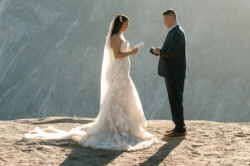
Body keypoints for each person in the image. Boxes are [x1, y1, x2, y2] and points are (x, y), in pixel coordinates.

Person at [25, 14, 159, 151]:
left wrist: (130, 52)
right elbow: (117, 55)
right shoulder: (115, 38)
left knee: (124, 93)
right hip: (119, 71)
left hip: (123, 71)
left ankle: (125, 124)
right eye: (126, 24)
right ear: (120, 24)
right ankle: (119, 125)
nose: (128, 26)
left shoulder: (120, 36)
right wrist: (131, 52)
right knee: (119, 93)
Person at [150, 8, 186, 138]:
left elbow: (174, 52)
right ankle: (177, 126)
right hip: (171, 72)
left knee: (176, 99)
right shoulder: (174, 31)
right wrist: (159, 51)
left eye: (165, 19)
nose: (164, 22)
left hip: (175, 72)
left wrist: (160, 51)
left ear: (171, 18)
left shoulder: (177, 32)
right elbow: (170, 50)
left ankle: (180, 129)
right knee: (174, 100)